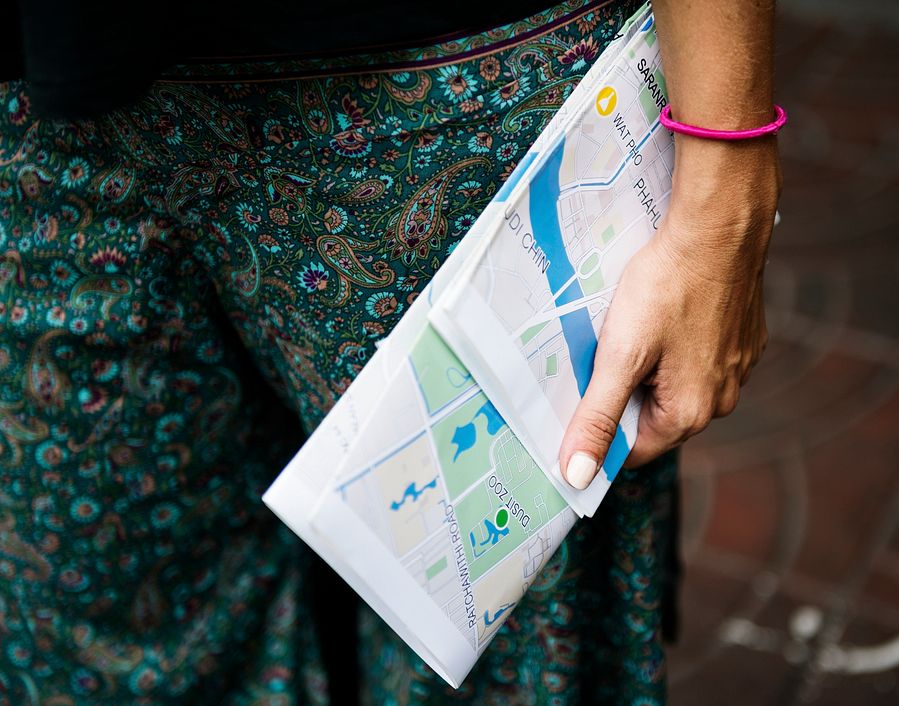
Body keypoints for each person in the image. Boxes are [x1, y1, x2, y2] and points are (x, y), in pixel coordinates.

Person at [0, 0, 779, 702]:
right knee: (101, 641)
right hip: (34, 116)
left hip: (452, 86)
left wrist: (724, 190)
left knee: (504, 654)